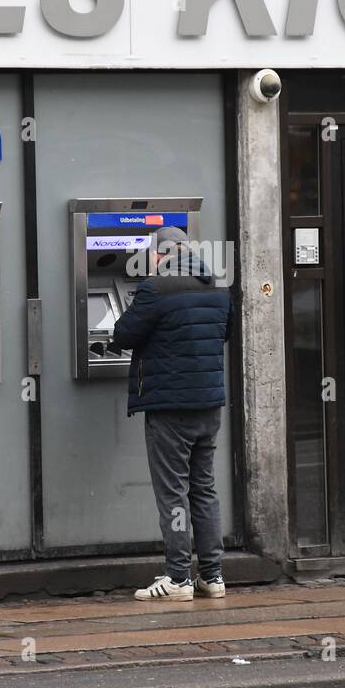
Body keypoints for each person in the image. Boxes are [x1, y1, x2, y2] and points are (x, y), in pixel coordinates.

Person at [110, 226, 232, 601]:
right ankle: (212, 576)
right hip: (208, 405)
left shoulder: (155, 288)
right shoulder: (218, 287)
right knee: (204, 489)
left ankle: (178, 578)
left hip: (169, 409)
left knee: (172, 493)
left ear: (161, 254)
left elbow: (122, 335)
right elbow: (222, 334)